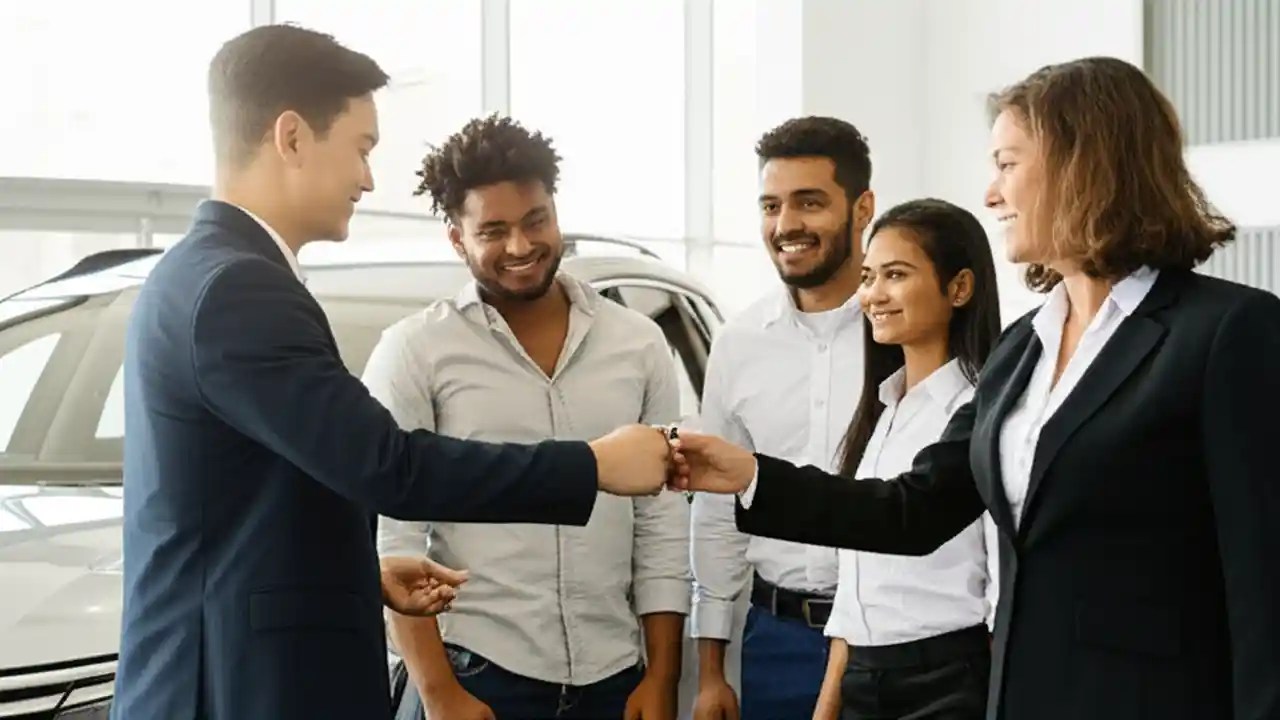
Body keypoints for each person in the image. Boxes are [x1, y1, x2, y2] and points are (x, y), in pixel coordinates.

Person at [669, 56, 1280, 720]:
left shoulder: (1227, 334)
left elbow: (1265, 595)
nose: (991, 194)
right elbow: (913, 510)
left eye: (1008, 165)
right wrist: (751, 475)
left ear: (1085, 164)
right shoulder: (1023, 348)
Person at [113, 26, 672, 720]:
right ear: (291, 137)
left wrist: (361, 576)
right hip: (239, 689)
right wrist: (592, 466)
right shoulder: (237, 289)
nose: (368, 179)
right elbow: (388, 465)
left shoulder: (206, 274)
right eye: (362, 147)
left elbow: (247, 507)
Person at [365, 115, 691, 720]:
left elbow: (662, 523)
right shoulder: (415, 351)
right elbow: (393, 538)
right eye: (493, 230)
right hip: (478, 678)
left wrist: (662, 677)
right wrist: (440, 697)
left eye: (535, 220)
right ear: (458, 239)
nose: (520, 246)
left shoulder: (638, 343)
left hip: (615, 678)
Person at [689, 116, 875, 720]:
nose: (786, 225)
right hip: (775, 640)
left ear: (862, 207)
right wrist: (712, 673)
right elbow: (718, 511)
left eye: (810, 202)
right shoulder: (740, 343)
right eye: (771, 205)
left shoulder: (909, 332)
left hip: (890, 640)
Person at [811, 199, 1001, 720]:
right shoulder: (884, 409)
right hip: (864, 679)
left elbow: (1002, 594)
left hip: (949, 681)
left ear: (959, 288)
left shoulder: (981, 413)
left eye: (895, 275)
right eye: (868, 276)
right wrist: (830, 700)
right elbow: (855, 589)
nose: (873, 295)